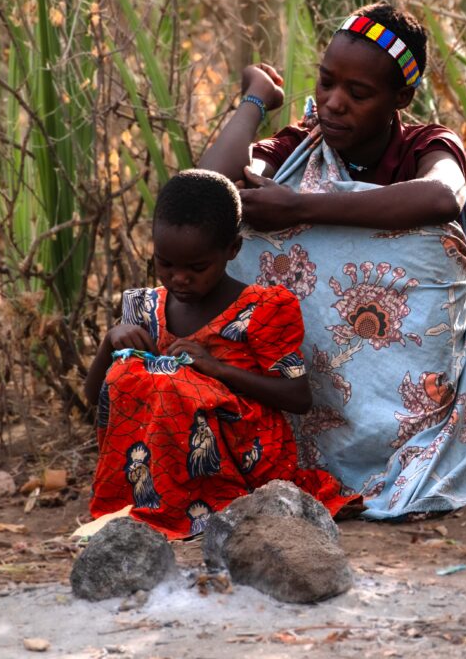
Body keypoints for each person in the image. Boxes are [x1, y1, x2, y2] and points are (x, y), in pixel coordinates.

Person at [197, 1, 466, 520]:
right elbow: (209, 191)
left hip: (407, 396)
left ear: (400, 98)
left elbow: (440, 198)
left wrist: (300, 208)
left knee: (431, 239)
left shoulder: (426, 145)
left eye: (357, 93)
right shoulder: (304, 143)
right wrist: (256, 99)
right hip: (305, 383)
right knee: (240, 226)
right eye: (325, 83)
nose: (333, 103)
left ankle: (386, 441)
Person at [86, 169, 358, 538]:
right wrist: (109, 342)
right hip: (152, 467)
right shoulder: (144, 309)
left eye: (197, 268)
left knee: (173, 386)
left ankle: (201, 509)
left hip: (244, 456)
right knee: (130, 374)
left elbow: (298, 398)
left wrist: (216, 369)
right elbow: (97, 397)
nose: (179, 278)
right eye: (165, 263)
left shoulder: (263, 309)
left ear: (232, 249)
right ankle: (152, 505)